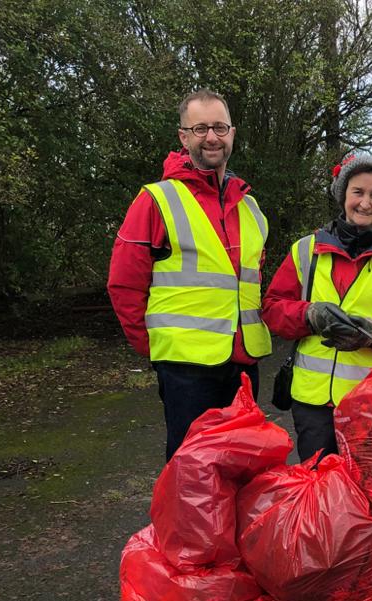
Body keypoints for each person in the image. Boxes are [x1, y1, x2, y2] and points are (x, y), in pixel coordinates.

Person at [108, 88, 272, 461]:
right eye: (200, 128)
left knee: (242, 465)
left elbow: (252, 283)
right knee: (191, 474)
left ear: (232, 133)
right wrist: (156, 348)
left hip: (243, 360)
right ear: (183, 137)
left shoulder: (250, 207)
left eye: (219, 127)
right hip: (185, 369)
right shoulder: (155, 200)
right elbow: (124, 284)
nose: (211, 137)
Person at [262, 152, 372, 462]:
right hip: (312, 402)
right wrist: (308, 315)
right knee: (320, 489)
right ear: (342, 196)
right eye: (358, 192)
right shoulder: (305, 250)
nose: (365, 203)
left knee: (366, 496)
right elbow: (272, 310)